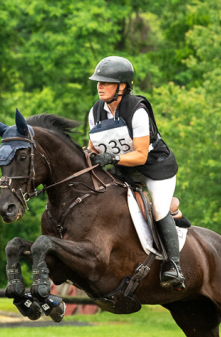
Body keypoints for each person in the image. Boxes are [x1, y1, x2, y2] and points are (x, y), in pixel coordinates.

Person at [86, 56, 185, 290]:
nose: (99, 86)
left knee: (159, 210)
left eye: (105, 82)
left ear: (122, 86)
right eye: (98, 82)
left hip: (155, 167)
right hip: (124, 169)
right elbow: (92, 147)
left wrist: (112, 158)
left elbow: (140, 156)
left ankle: (174, 265)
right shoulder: (96, 111)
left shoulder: (137, 110)